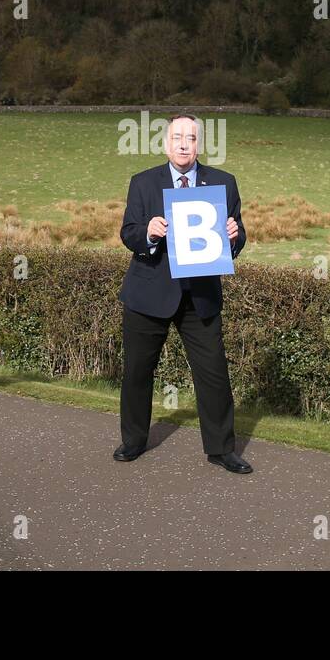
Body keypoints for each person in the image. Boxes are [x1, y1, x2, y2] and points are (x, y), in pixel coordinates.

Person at [114, 113, 251, 473]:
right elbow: (128, 233)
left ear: (199, 145)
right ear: (166, 143)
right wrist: (149, 231)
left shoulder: (223, 182)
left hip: (200, 297)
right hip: (148, 294)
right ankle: (133, 441)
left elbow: (237, 236)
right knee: (138, 373)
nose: (184, 144)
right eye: (177, 137)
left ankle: (222, 449)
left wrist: (236, 236)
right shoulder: (143, 183)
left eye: (191, 138)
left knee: (214, 374)